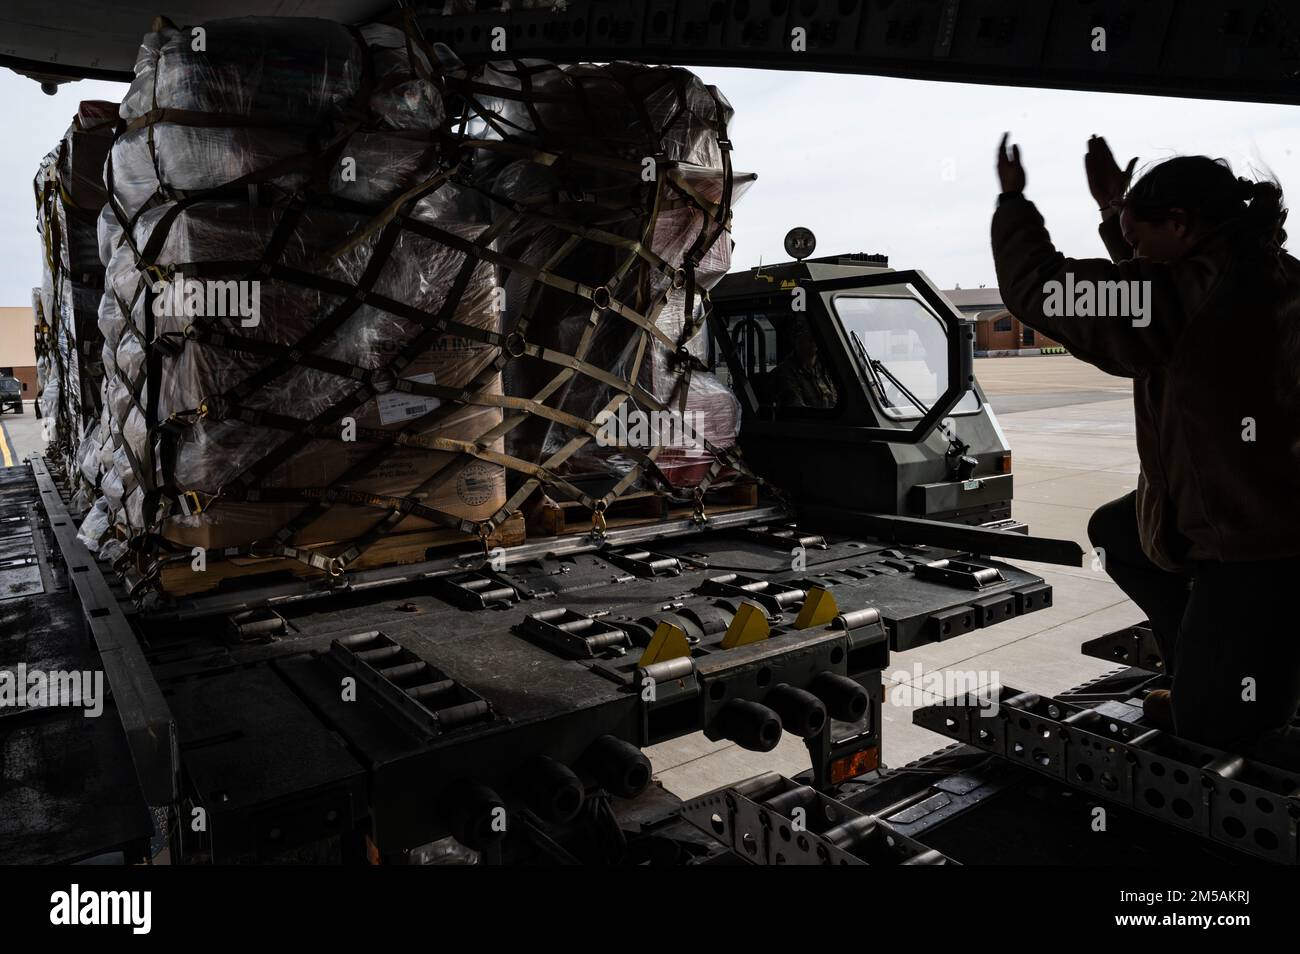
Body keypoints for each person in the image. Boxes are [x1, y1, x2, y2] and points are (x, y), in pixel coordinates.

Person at [992, 133, 1300, 762]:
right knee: (1122, 531)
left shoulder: (1192, 297)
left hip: (1250, 545)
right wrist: (1115, 214)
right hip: (1264, 511)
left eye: (1137, 242)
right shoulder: (1258, 269)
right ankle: (1200, 663)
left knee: (1218, 734)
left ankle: (1234, 701)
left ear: (1181, 226)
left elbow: (1047, 290)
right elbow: (1153, 289)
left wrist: (1014, 202)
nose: (1130, 256)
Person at [772, 319, 838, 408]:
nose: (812, 340)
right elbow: (799, 412)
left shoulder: (823, 367)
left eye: (813, 335)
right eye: (806, 335)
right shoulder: (784, 373)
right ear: (795, 340)